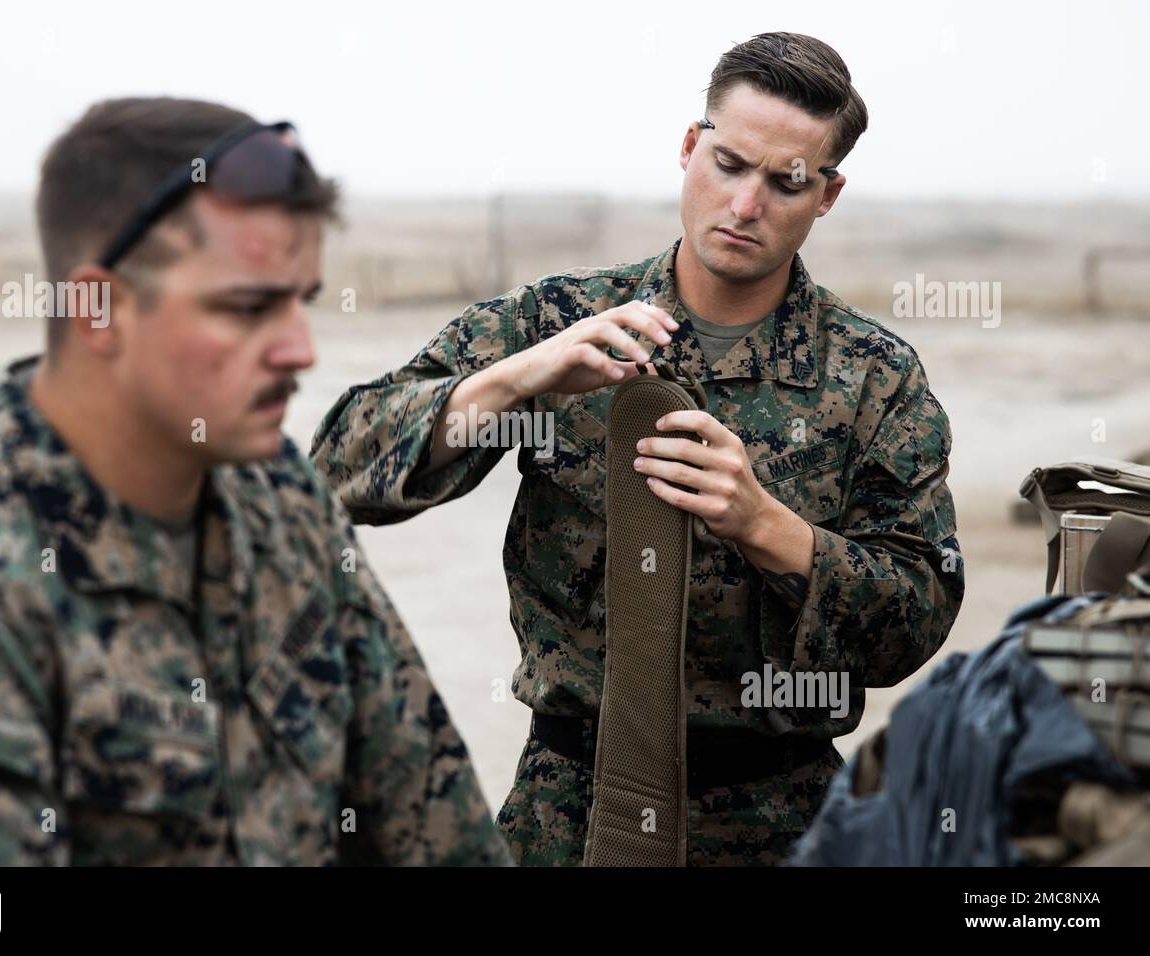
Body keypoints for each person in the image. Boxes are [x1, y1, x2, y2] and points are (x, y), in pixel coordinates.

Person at [311, 32, 965, 865]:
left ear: (827, 194)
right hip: (569, 811)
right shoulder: (559, 322)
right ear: (690, 147)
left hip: (781, 818)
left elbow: (915, 621)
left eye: (785, 181)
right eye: (729, 165)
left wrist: (768, 526)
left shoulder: (874, 377)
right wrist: (515, 380)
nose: (745, 205)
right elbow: (334, 468)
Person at [0, 97, 509, 866]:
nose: (300, 348)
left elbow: (432, 819)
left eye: (302, 302)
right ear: (99, 310)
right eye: (247, 307)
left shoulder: (278, 497)